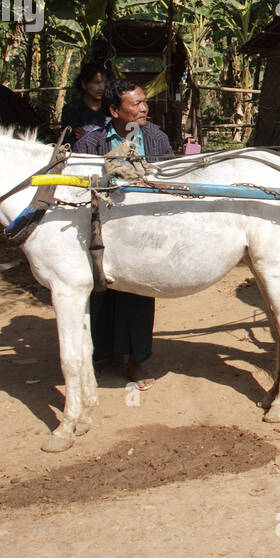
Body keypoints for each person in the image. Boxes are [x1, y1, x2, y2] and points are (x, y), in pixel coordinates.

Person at [72, 79, 175, 389]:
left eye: (144, 102)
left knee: (138, 294)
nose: (144, 108)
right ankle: (102, 354)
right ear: (114, 110)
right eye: (136, 104)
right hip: (101, 231)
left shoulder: (155, 137)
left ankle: (135, 360)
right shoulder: (90, 144)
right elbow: (73, 186)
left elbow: (170, 175)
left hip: (142, 232)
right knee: (99, 292)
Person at [59, 60, 112, 142]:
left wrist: (88, 137)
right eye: (97, 83)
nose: (102, 87)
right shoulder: (72, 110)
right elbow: (71, 141)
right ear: (84, 84)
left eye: (105, 83)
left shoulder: (111, 109)